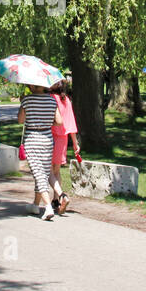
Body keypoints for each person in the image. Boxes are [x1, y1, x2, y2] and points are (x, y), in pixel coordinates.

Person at [18, 85, 61, 220]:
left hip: (32, 138)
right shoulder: (52, 100)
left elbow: (20, 120)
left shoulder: (27, 100)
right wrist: (47, 122)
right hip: (47, 138)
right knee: (43, 171)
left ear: (31, 85)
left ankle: (48, 206)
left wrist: (22, 105)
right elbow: (59, 121)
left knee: (38, 172)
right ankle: (36, 205)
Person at [49, 80, 81, 215]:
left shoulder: (51, 99)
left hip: (50, 136)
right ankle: (55, 200)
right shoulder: (66, 100)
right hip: (63, 139)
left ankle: (62, 196)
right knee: (56, 171)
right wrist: (75, 143)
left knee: (47, 171)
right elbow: (71, 122)